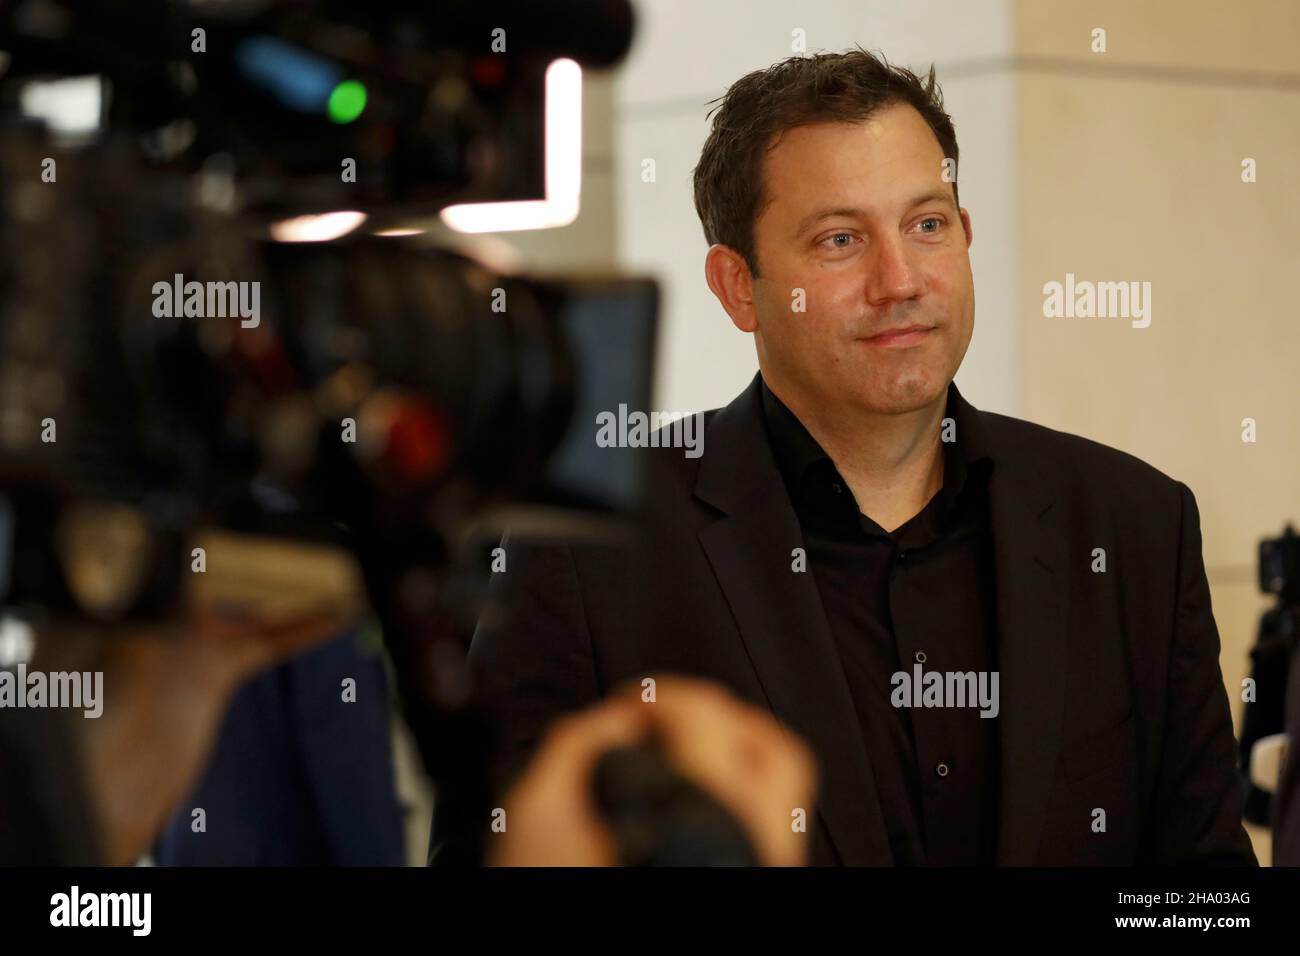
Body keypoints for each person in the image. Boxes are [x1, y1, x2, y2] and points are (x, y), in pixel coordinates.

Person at [434, 47, 1256, 866]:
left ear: (966, 237)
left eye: (927, 225)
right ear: (737, 287)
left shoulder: (1133, 522)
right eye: (839, 239)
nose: (899, 280)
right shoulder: (585, 545)